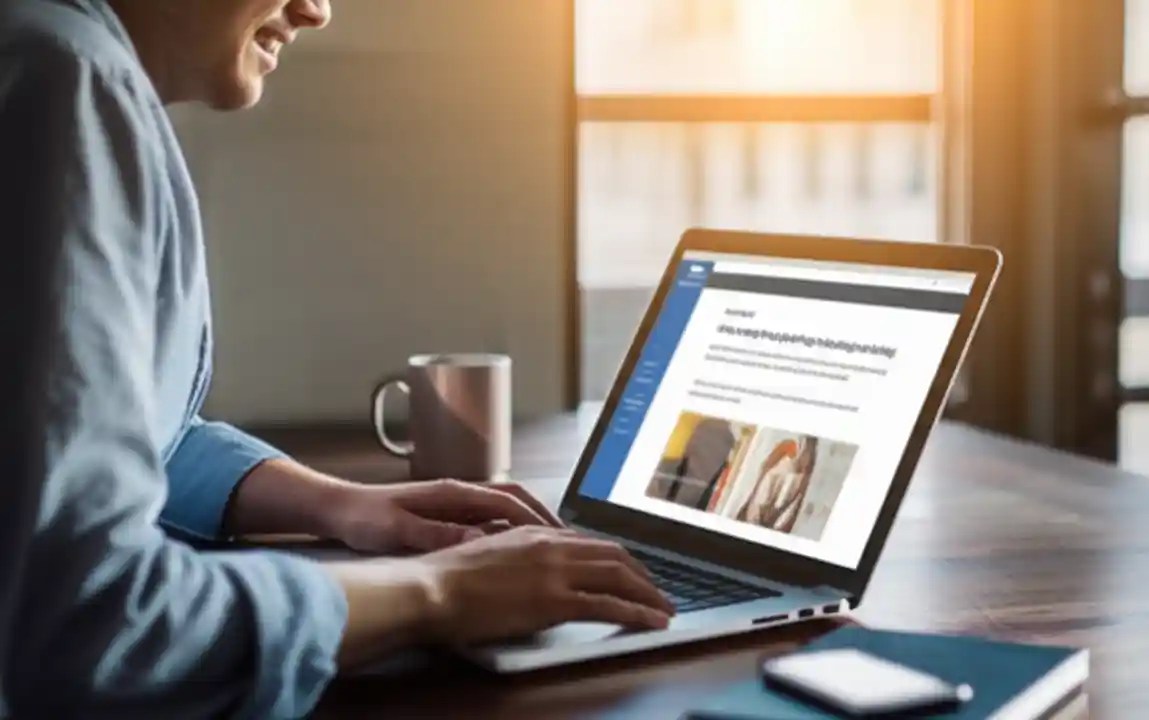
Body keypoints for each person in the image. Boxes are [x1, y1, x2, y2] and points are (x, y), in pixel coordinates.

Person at [0, 0, 673, 716]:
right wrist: (442, 592)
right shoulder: (63, 77)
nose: (316, 10)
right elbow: (96, 630)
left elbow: (124, 437)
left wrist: (340, 504)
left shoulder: (67, 66)